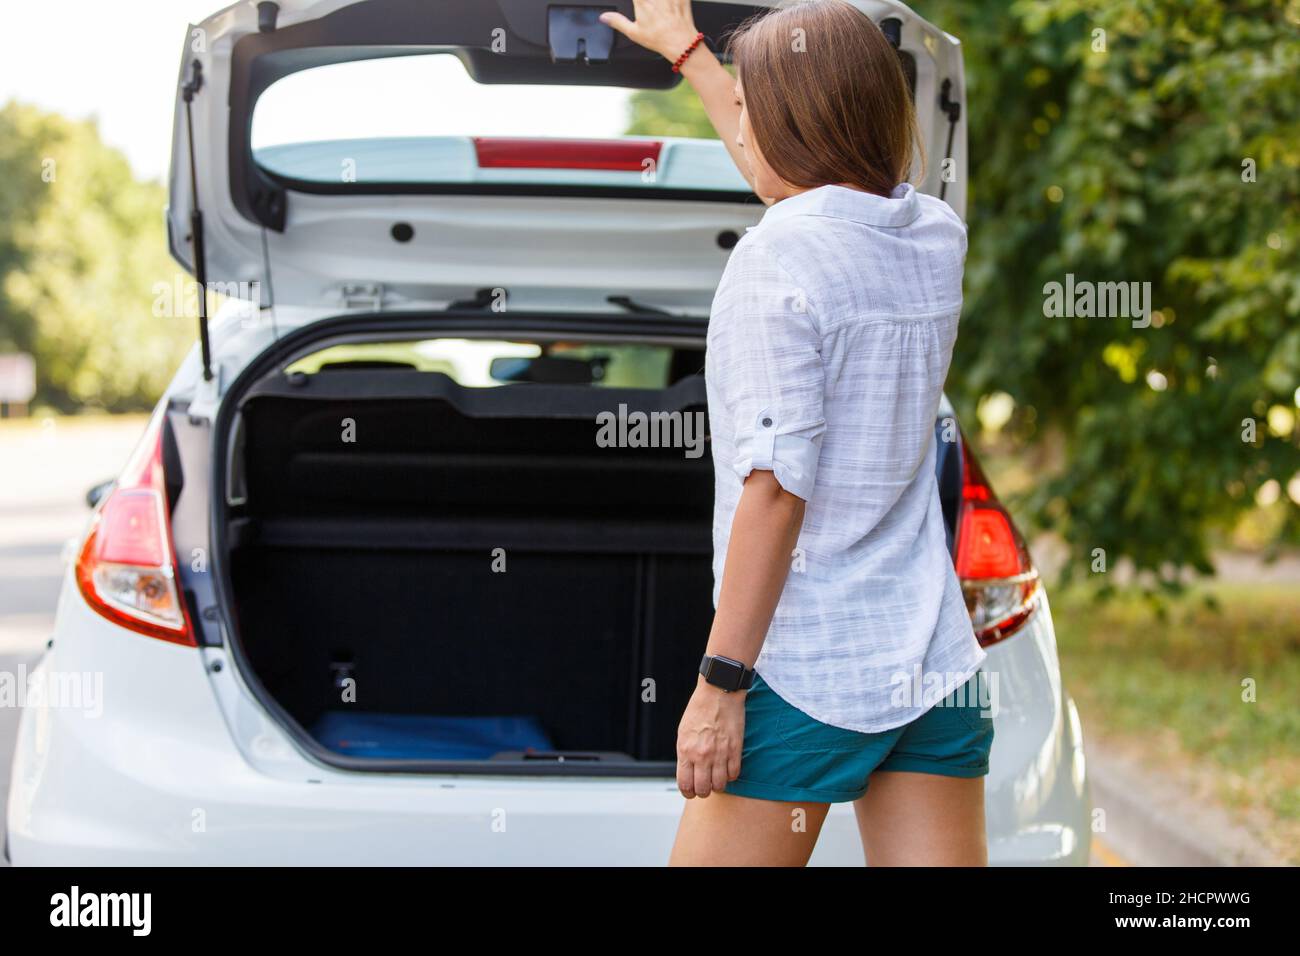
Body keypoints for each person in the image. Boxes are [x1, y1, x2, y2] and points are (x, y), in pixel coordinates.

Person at [600, 0, 994, 866]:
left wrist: (720, 685)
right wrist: (694, 56)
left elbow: (776, 489)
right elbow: (800, 185)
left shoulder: (773, 261)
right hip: (931, 666)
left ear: (785, 124)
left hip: (806, 667)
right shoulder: (932, 234)